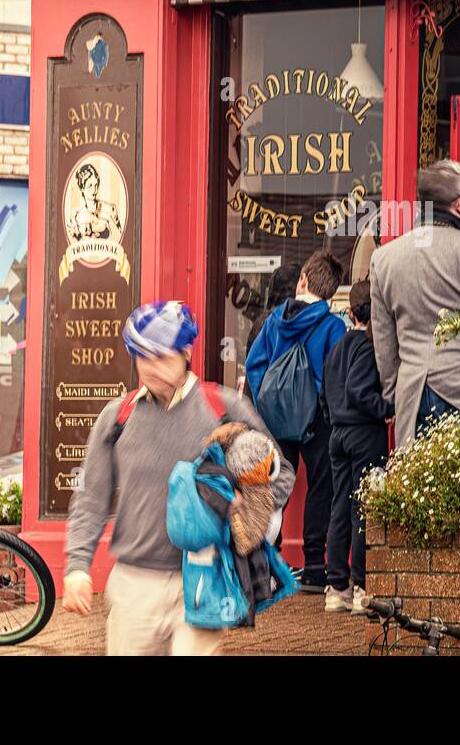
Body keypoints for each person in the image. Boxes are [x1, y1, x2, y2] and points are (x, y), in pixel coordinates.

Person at [63, 300, 295, 655]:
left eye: (162, 356)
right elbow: (90, 498)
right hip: (134, 583)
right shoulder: (117, 417)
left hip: (204, 578)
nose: (151, 367)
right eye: (143, 356)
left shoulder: (224, 407)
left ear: (186, 352)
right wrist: (78, 566)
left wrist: (246, 508)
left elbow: (280, 473)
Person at [370, 160, 460, 448]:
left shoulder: (384, 258)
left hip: (413, 394)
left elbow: (383, 341)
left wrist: (394, 391)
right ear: (459, 204)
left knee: (419, 487)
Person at [245, 251, 346, 593]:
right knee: (321, 487)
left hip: (275, 420)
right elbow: (336, 377)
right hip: (317, 419)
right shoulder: (333, 326)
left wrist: (267, 405)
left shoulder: (275, 320)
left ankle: (267, 565)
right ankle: (316, 566)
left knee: (276, 488)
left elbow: (254, 364)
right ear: (331, 291)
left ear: (303, 278)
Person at [320, 281, 392, 615]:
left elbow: (326, 395)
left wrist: (334, 420)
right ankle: (363, 587)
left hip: (338, 434)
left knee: (339, 506)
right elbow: (360, 392)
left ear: (350, 313)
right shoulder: (368, 347)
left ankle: (336, 587)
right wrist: (387, 408)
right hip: (364, 434)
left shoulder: (338, 346)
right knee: (363, 508)